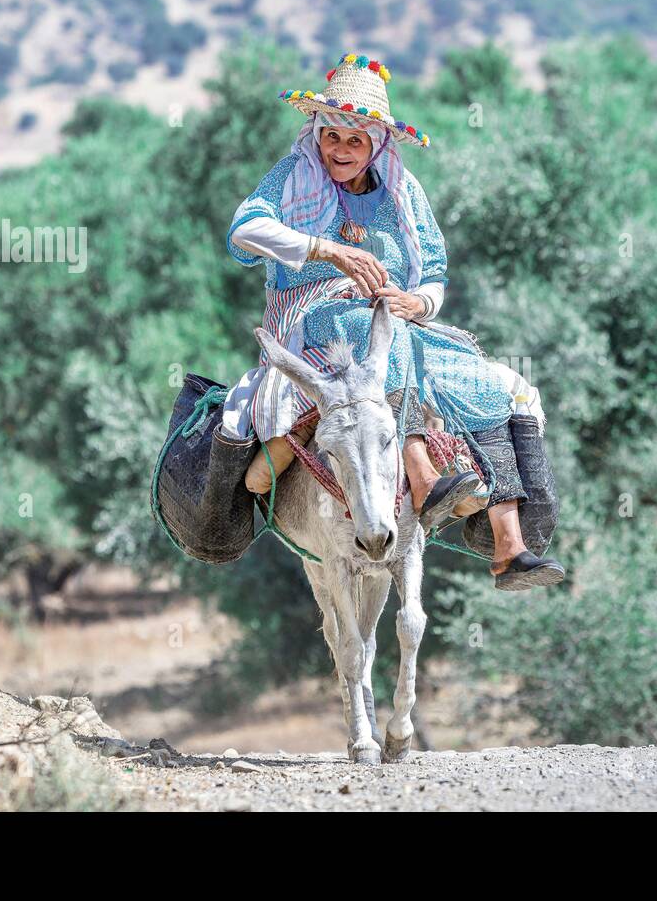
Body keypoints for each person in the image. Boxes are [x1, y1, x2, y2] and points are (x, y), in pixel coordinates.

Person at [218, 53, 562, 590]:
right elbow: (244, 229)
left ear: (377, 143)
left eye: (355, 141)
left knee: (484, 383)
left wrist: (417, 304)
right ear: (317, 131)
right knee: (373, 329)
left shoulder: (403, 193)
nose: (340, 150)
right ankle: (423, 477)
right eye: (332, 136)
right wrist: (326, 251)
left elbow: (435, 270)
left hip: (395, 320)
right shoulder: (292, 177)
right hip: (315, 321)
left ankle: (509, 544)